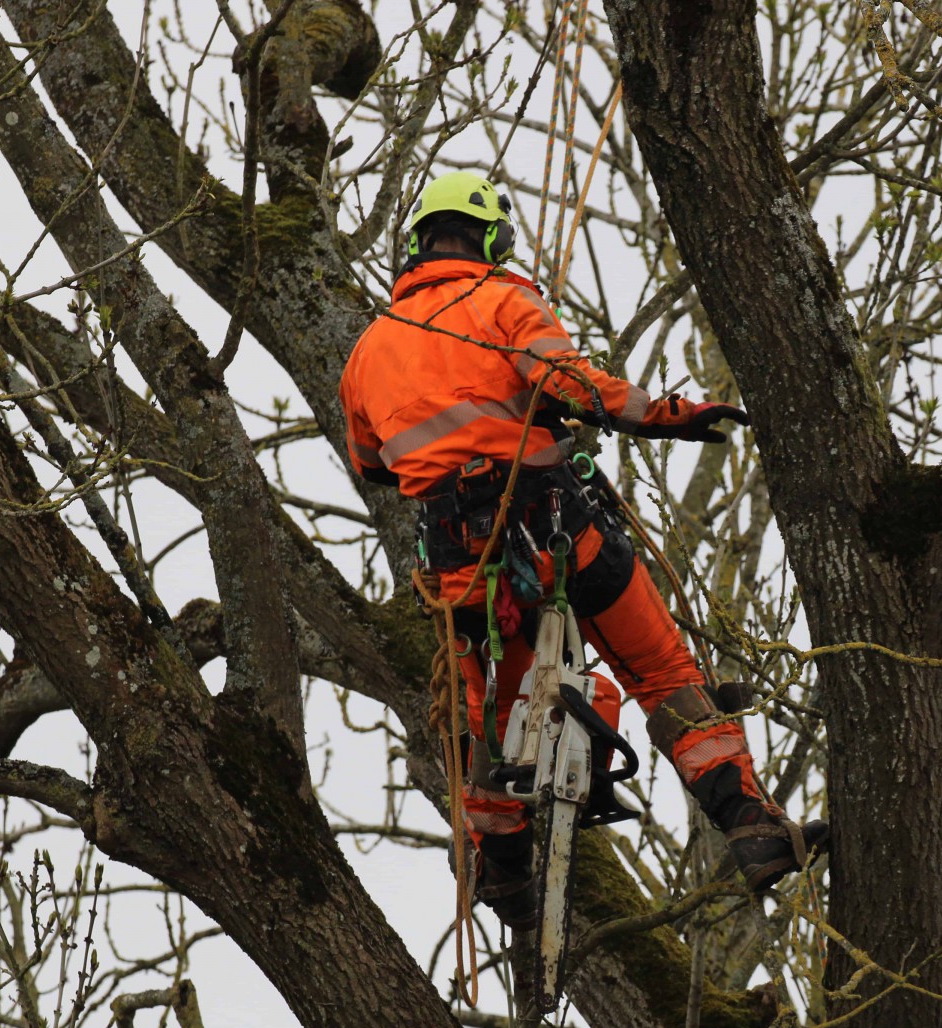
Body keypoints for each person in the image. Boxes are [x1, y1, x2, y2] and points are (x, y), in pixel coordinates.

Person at [340, 171, 828, 928]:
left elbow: (371, 462)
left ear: (417, 243)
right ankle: (750, 825)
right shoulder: (503, 300)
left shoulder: (368, 351)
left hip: (461, 569)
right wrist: (671, 415)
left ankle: (503, 873)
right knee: (661, 669)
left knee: (489, 718)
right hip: (554, 533)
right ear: (491, 238)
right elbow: (573, 386)